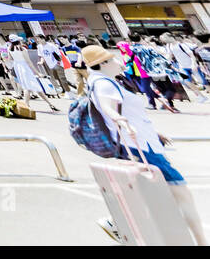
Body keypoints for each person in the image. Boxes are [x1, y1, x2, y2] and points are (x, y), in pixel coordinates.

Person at [80, 44, 206, 245]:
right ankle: (201, 242)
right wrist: (121, 121)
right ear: (102, 63)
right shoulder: (104, 84)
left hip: (141, 142)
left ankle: (116, 222)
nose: (118, 61)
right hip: (139, 144)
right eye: (113, 58)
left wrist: (153, 132)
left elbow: (124, 111)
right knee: (181, 193)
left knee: (158, 192)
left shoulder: (102, 81)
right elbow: (108, 108)